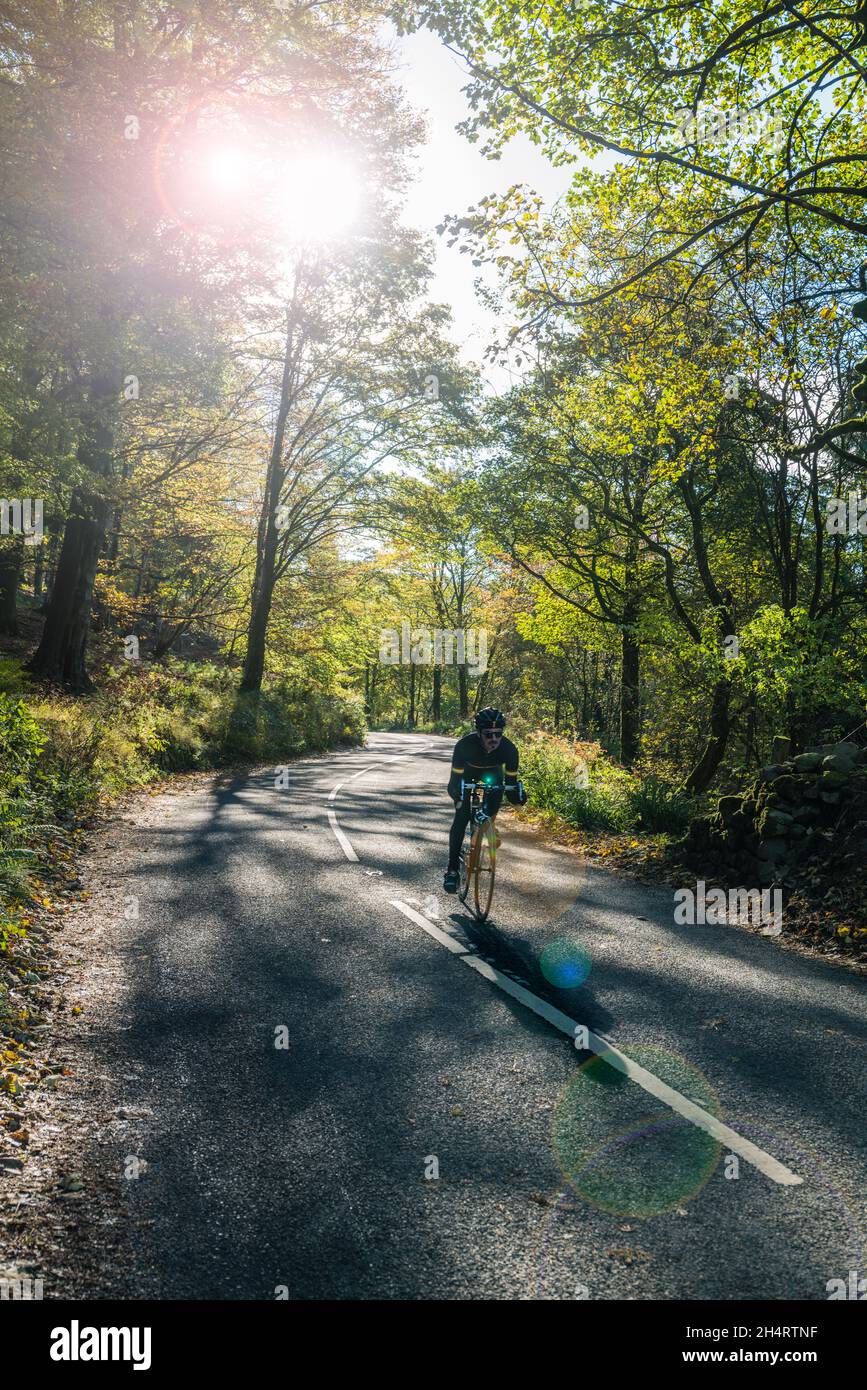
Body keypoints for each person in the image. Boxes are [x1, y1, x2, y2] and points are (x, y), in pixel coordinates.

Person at [442, 708, 526, 893]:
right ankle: (452, 870)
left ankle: (487, 826)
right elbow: (453, 784)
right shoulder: (464, 745)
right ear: (479, 733)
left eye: (498, 734)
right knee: (461, 817)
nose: (494, 739)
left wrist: (519, 797)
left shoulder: (509, 749)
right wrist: (457, 795)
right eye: (489, 735)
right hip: (467, 773)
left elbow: (510, 786)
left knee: (494, 798)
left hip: (493, 774)